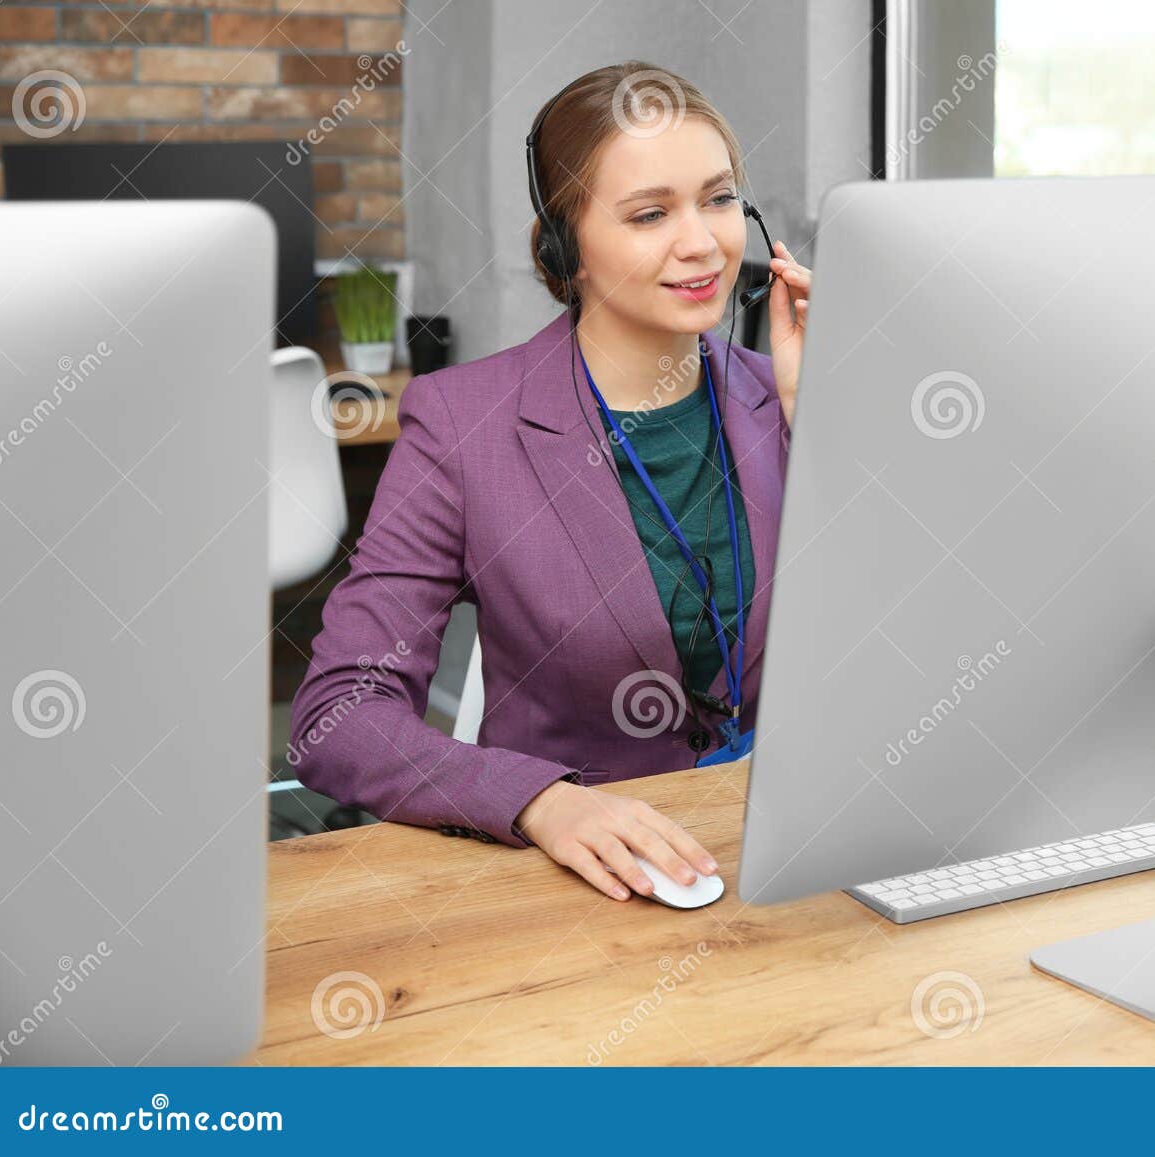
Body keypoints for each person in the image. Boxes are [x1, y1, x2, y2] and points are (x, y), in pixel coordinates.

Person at [289, 62, 811, 903]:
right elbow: (338, 714)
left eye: (718, 199)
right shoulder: (464, 425)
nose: (702, 242)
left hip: (795, 860)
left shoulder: (789, 394)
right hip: (586, 890)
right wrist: (536, 800)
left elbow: (921, 647)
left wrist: (812, 420)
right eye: (650, 213)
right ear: (565, 245)